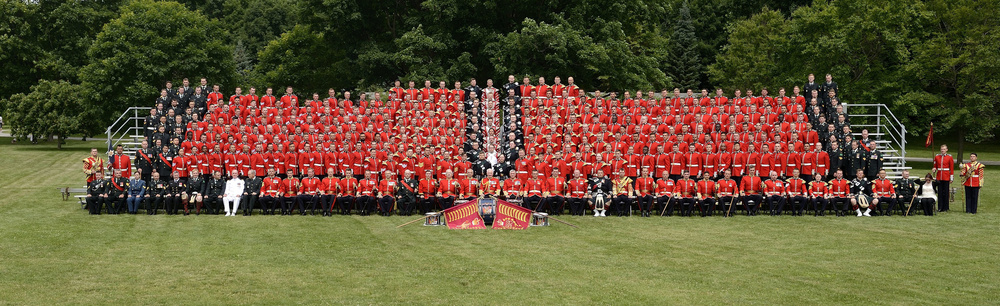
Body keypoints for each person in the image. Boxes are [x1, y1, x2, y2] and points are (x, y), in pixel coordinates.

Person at [931, 144, 954, 212]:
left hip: (946, 176)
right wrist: (934, 168)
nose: (942, 151)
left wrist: (951, 177)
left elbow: (951, 168)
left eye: (944, 149)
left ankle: (946, 207)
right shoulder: (937, 156)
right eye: (941, 149)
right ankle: (940, 207)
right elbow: (935, 166)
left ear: (946, 150)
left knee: (946, 192)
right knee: (940, 192)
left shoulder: (949, 157)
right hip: (939, 176)